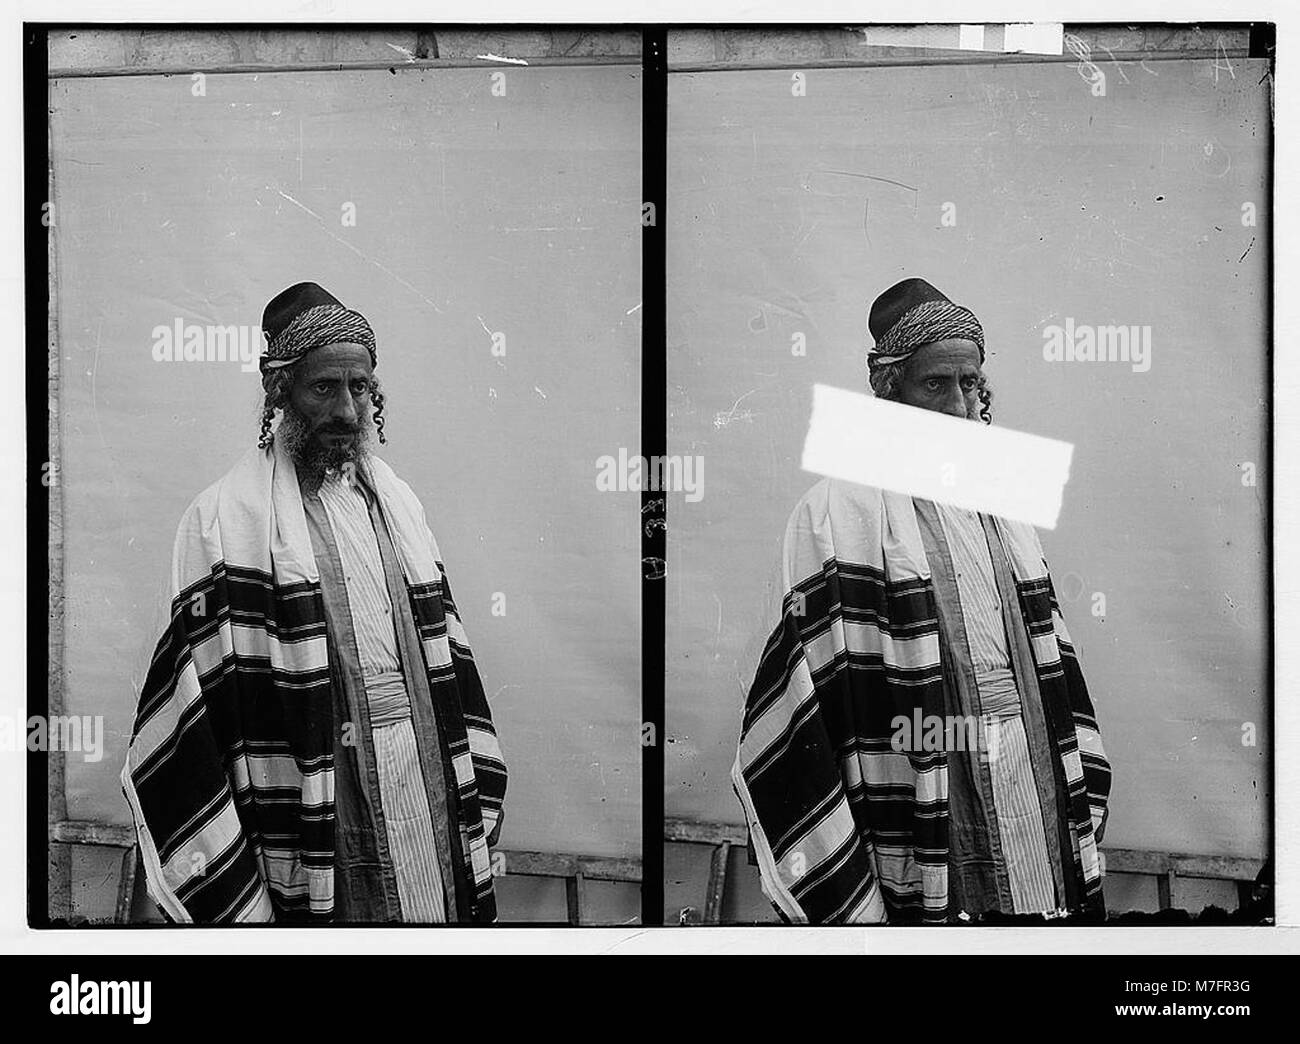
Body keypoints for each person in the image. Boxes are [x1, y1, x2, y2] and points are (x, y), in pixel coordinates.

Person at [121, 282, 506, 924]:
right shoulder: (224, 520)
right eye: (324, 387)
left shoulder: (399, 503)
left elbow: (449, 664)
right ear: (281, 392)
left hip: (422, 772)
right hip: (307, 786)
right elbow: (207, 698)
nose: (347, 410)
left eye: (359, 387)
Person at [732, 277, 1111, 924]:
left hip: (1027, 770)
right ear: (887, 389)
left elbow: (1052, 662)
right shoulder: (835, 511)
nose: (959, 405)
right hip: (913, 775)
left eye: (970, 384)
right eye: (935, 384)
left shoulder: (1004, 503)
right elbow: (800, 687)